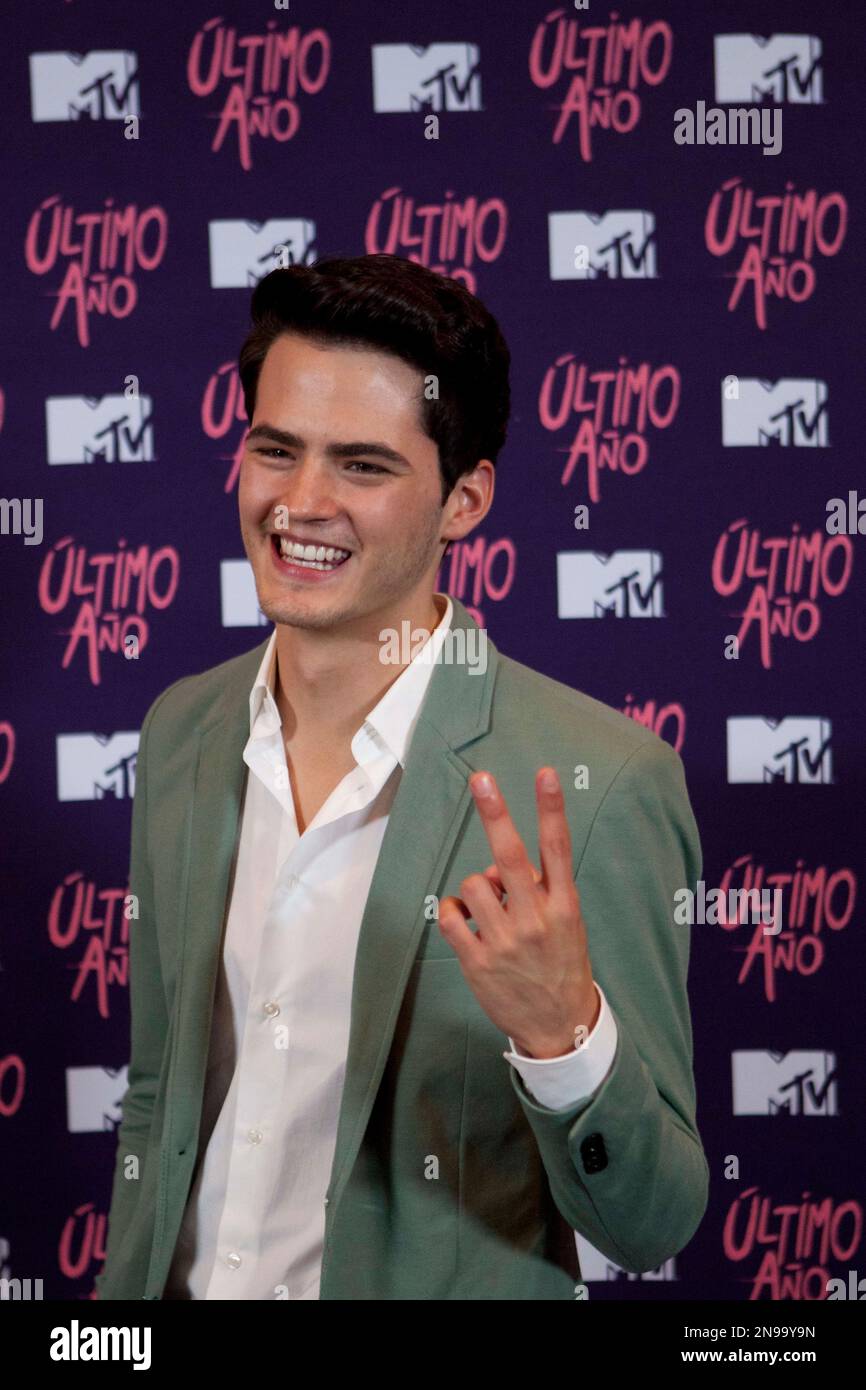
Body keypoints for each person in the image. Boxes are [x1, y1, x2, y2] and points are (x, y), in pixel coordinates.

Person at [96, 253, 708, 1301]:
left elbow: (650, 1222)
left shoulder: (601, 782)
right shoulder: (183, 732)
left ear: (463, 500)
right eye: (275, 449)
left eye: (363, 467)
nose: (301, 501)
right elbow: (160, 1100)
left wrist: (562, 1040)